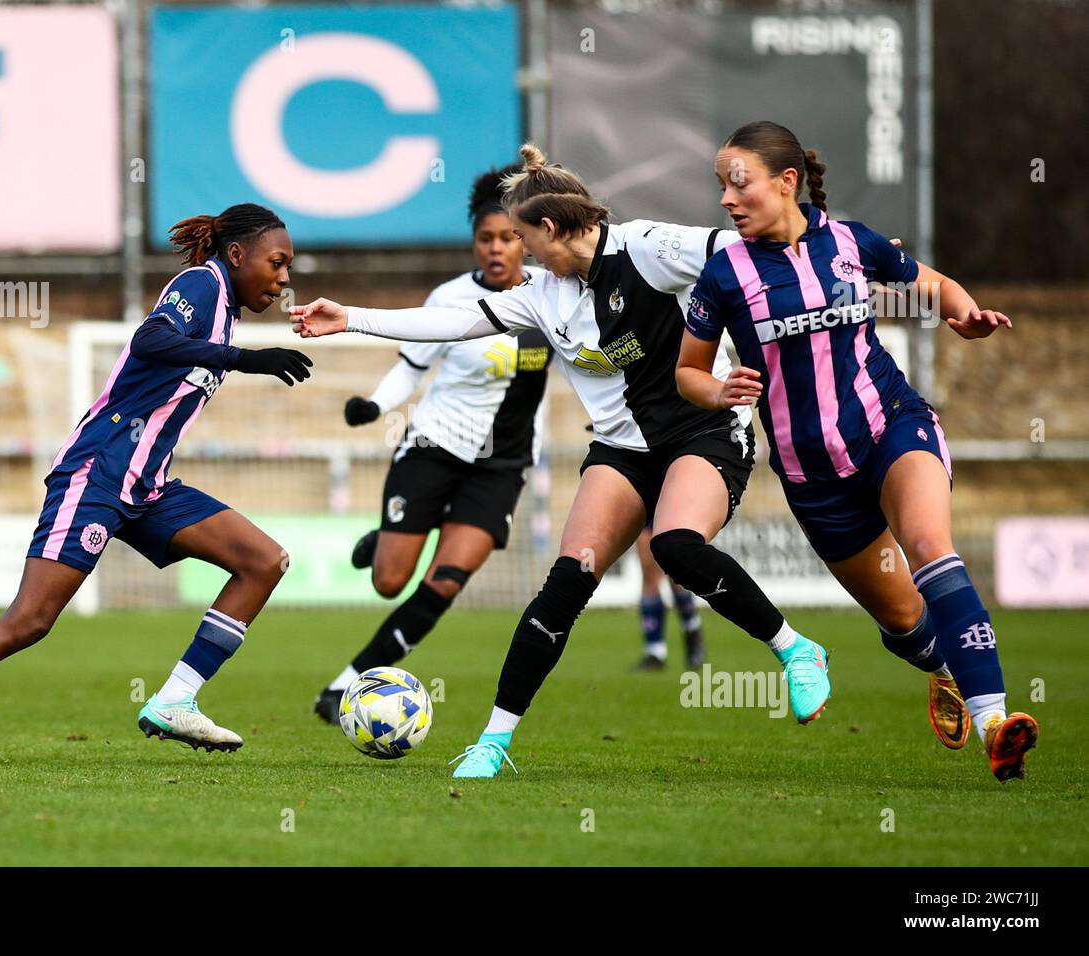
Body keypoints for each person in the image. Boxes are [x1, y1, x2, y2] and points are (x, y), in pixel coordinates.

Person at [294, 144, 832, 780]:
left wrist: (831, 248)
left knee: (679, 546)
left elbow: (745, 248)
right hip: (622, 447)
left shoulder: (648, 247)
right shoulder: (544, 294)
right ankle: (493, 744)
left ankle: (795, 650)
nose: (517, 255)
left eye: (522, 239)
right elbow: (451, 322)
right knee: (566, 582)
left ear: (547, 229)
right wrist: (350, 318)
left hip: (705, 429)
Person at [0, 204, 314, 768]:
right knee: (30, 620)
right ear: (236, 255)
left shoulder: (226, 311)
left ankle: (174, 699)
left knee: (263, 562)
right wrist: (243, 360)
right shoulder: (203, 284)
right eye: (276, 262)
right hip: (97, 472)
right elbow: (151, 340)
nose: (284, 278)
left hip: (147, 486)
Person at [676, 121, 1037, 781]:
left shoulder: (850, 241)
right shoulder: (724, 272)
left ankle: (996, 724)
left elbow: (929, 281)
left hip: (891, 425)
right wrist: (716, 388)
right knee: (904, 622)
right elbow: (687, 372)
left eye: (738, 182)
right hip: (813, 476)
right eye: (721, 186)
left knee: (930, 545)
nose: (726, 199)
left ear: (786, 182)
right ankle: (939, 668)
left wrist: (964, 311)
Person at [312, 166, 551, 722]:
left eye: (508, 237)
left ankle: (345, 685)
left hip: (502, 465)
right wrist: (375, 406)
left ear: (527, 237)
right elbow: (410, 367)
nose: (496, 249)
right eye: (485, 239)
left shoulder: (549, 298)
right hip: (433, 449)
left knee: (443, 583)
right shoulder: (450, 297)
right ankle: (393, 535)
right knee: (389, 582)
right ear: (474, 242)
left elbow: (588, 361)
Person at [634, 528, 706, 670]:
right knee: (649, 574)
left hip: (672, 509)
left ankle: (692, 630)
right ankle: (655, 652)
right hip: (646, 511)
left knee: (676, 574)